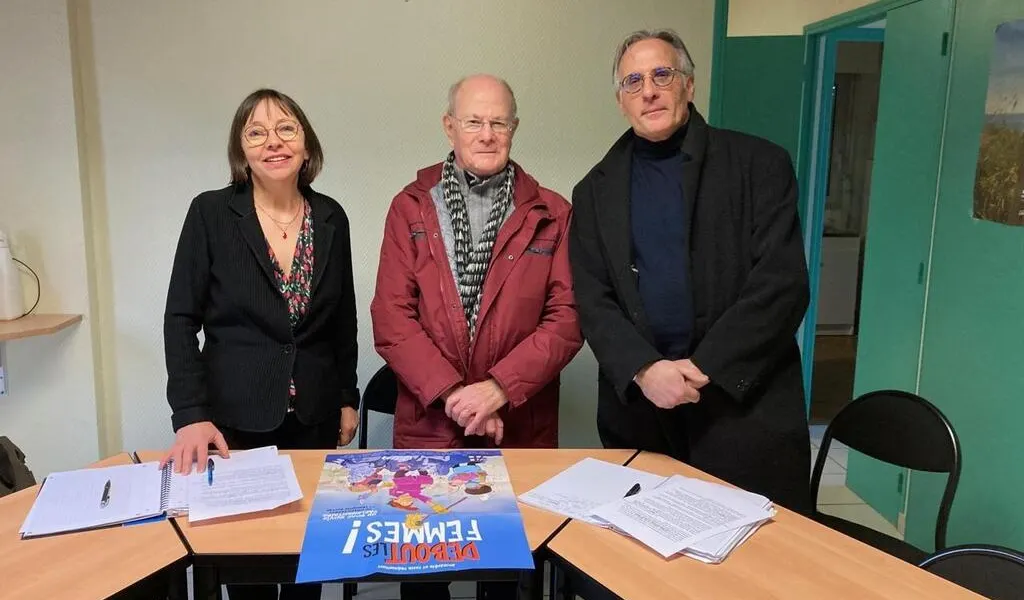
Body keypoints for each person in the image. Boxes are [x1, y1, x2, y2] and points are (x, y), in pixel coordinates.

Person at [568, 29, 812, 514]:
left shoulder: (759, 165)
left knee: (749, 566)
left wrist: (705, 367)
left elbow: (782, 285)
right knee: (640, 564)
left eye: (662, 74)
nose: (649, 91)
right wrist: (644, 369)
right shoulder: (592, 191)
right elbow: (593, 299)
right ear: (621, 101)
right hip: (640, 409)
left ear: (689, 85)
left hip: (742, 407)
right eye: (632, 81)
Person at [370, 74, 582, 600]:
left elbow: (568, 318)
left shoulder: (552, 213)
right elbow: (391, 317)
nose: (486, 134)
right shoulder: (411, 206)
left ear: (513, 128)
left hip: (518, 422)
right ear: (450, 127)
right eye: (473, 121)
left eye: (498, 122)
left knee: (508, 571)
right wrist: (454, 395)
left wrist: (498, 389)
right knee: (421, 572)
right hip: (428, 424)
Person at [161, 89, 359, 600]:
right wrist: (190, 413)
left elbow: (343, 320)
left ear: (306, 143)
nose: (274, 142)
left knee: (305, 564)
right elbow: (180, 317)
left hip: (314, 414)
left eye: (286, 128)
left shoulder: (331, 217)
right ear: (241, 150)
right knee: (246, 565)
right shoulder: (210, 214)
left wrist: (347, 396)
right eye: (256, 132)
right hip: (233, 418)